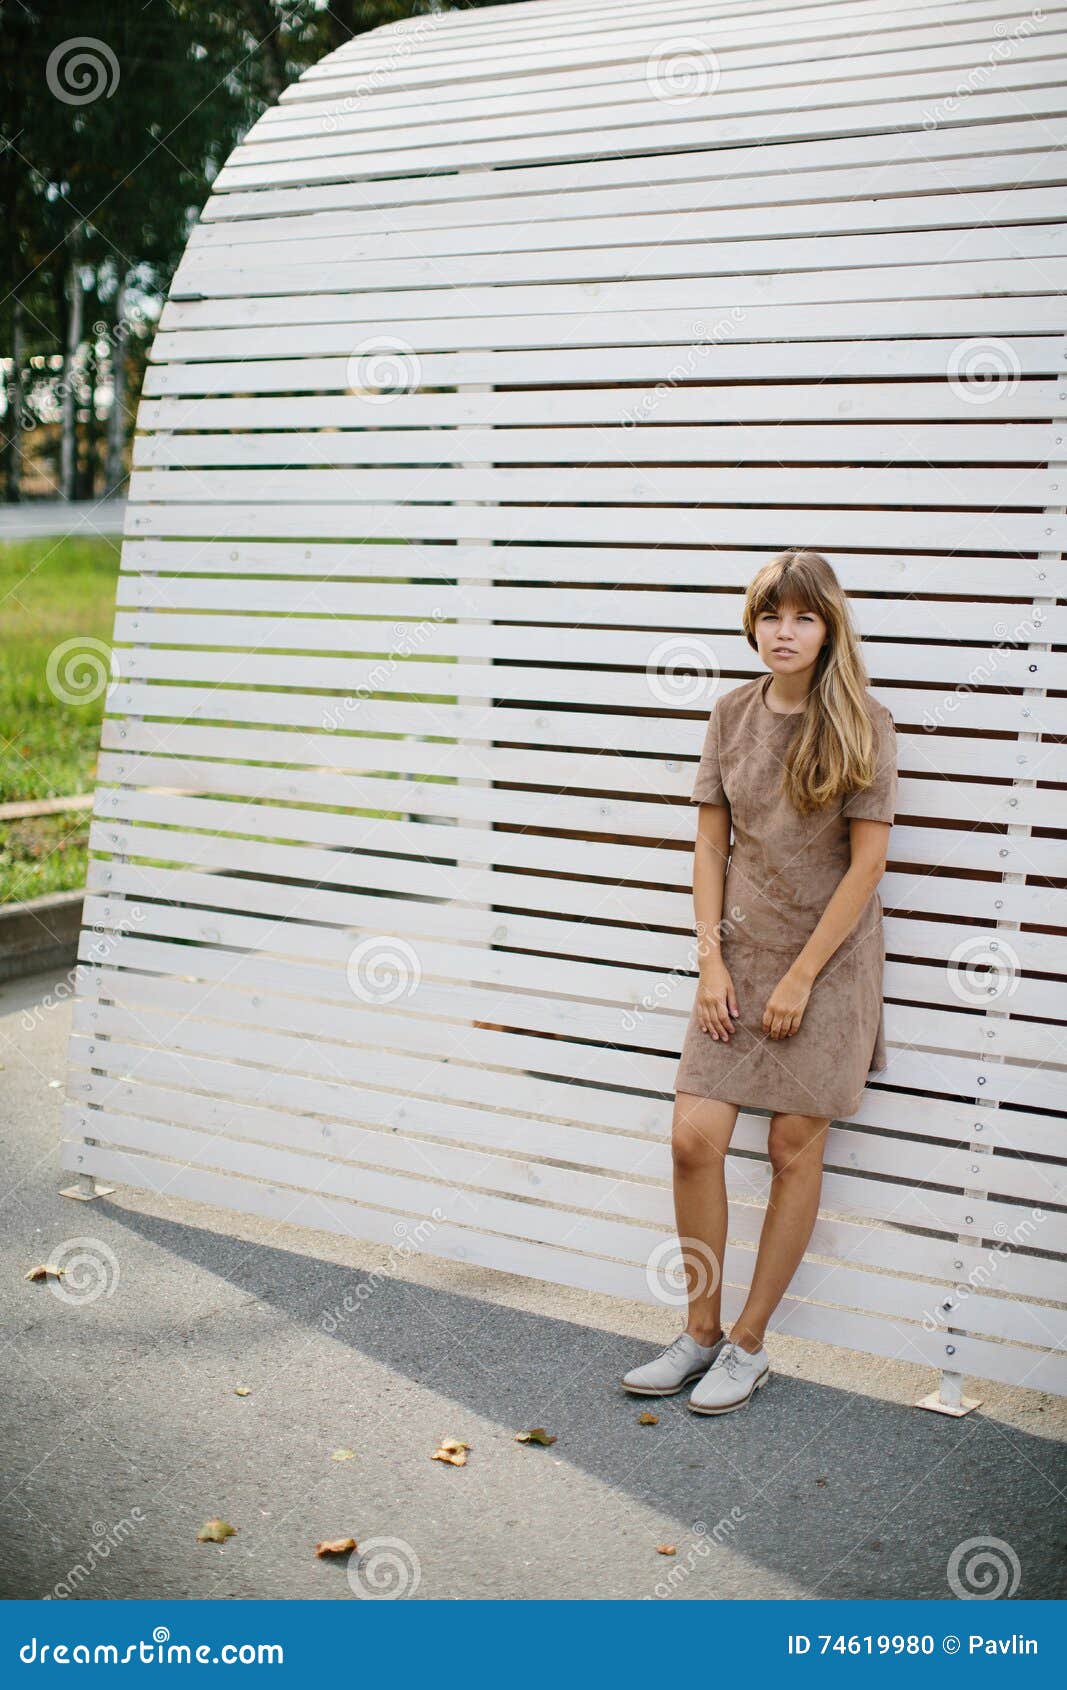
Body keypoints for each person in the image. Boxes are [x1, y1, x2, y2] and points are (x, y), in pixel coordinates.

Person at [623, 550, 898, 1414]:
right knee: (691, 1140)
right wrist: (710, 961)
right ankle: (698, 1333)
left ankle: (748, 1343)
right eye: (769, 615)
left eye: (802, 618)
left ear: (828, 629)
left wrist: (802, 978)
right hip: (736, 960)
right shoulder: (729, 713)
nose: (783, 632)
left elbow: (868, 866)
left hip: (828, 963)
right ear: (752, 623)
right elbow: (710, 845)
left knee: (790, 1148)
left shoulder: (863, 722)